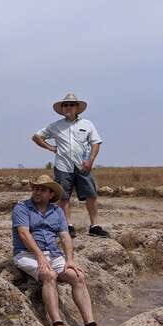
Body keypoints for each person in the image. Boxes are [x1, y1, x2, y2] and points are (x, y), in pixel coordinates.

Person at [12, 175, 112, 326]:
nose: (37, 192)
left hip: (53, 253)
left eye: (42, 189)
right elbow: (24, 234)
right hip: (27, 254)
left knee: (78, 277)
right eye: (35, 188)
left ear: (51, 194)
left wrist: (70, 260)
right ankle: (57, 322)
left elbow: (65, 236)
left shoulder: (57, 211)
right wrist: (40, 257)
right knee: (49, 275)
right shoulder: (22, 208)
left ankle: (90, 324)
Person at [31, 93, 109, 238]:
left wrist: (90, 160)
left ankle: (95, 226)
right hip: (62, 166)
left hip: (82, 166)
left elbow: (96, 142)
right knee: (64, 197)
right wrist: (50, 147)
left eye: (71, 104)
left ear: (77, 107)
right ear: (62, 108)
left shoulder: (87, 124)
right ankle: (68, 226)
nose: (68, 107)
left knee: (91, 195)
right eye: (65, 105)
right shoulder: (56, 126)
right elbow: (36, 137)